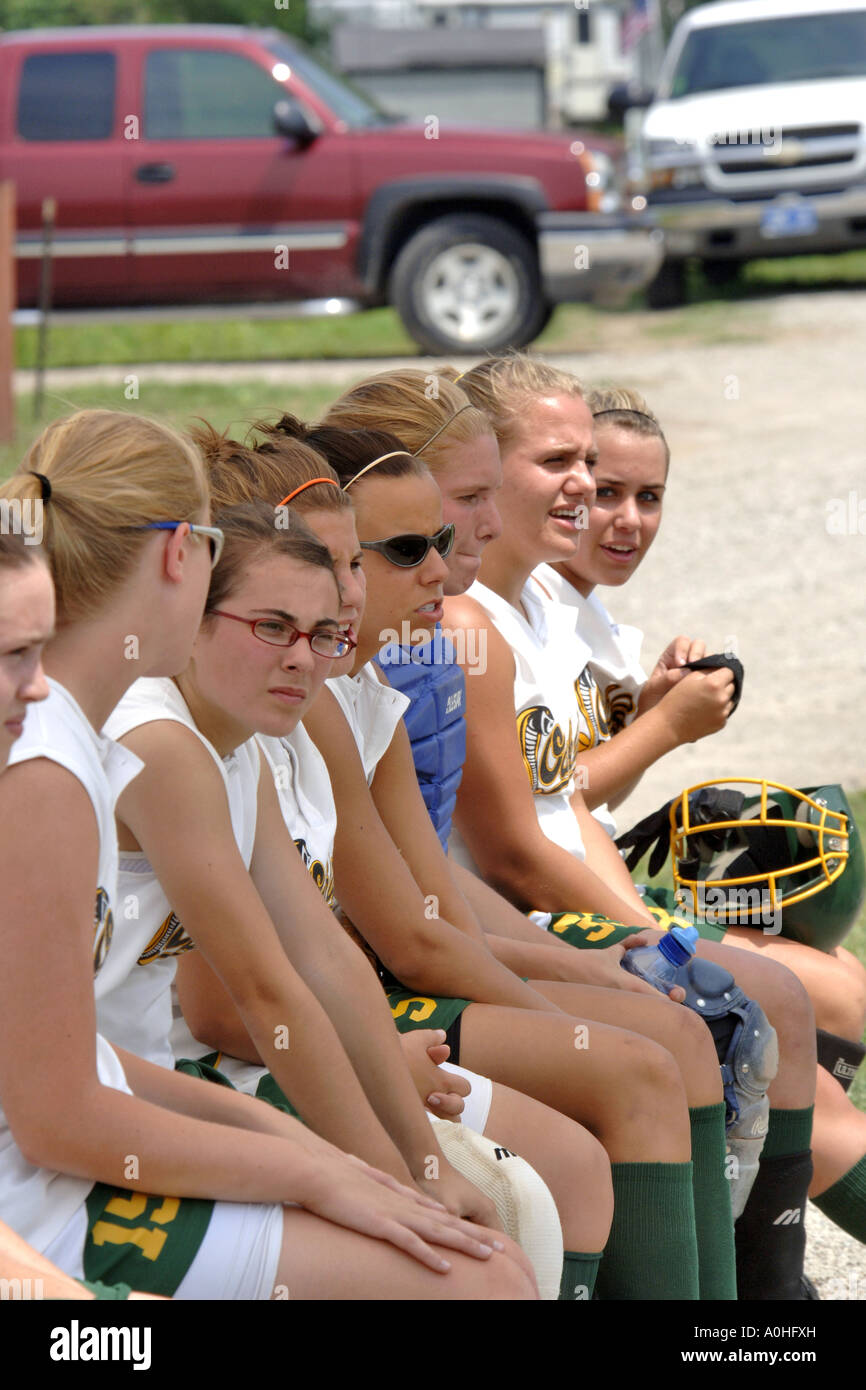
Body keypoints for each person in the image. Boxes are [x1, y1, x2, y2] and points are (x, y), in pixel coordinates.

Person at [0, 409, 530, 1301]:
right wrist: (317, 1172)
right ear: (182, 555)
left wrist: (308, 1151)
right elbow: (57, 1117)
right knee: (477, 1283)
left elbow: (76, 1058)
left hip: (72, 1158)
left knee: (484, 1257)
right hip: (42, 1208)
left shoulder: (76, 739)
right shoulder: (49, 763)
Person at [248, 416, 741, 1302]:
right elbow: (416, 935)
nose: (441, 563)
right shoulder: (306, 704)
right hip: (365, 1007)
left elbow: (439, 899)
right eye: (400, 549)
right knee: (627, 1078)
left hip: (368, 997)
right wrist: (567, 1004)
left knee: (678, 1028)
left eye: (440, 534)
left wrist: (583, 971)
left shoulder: (363, 693)